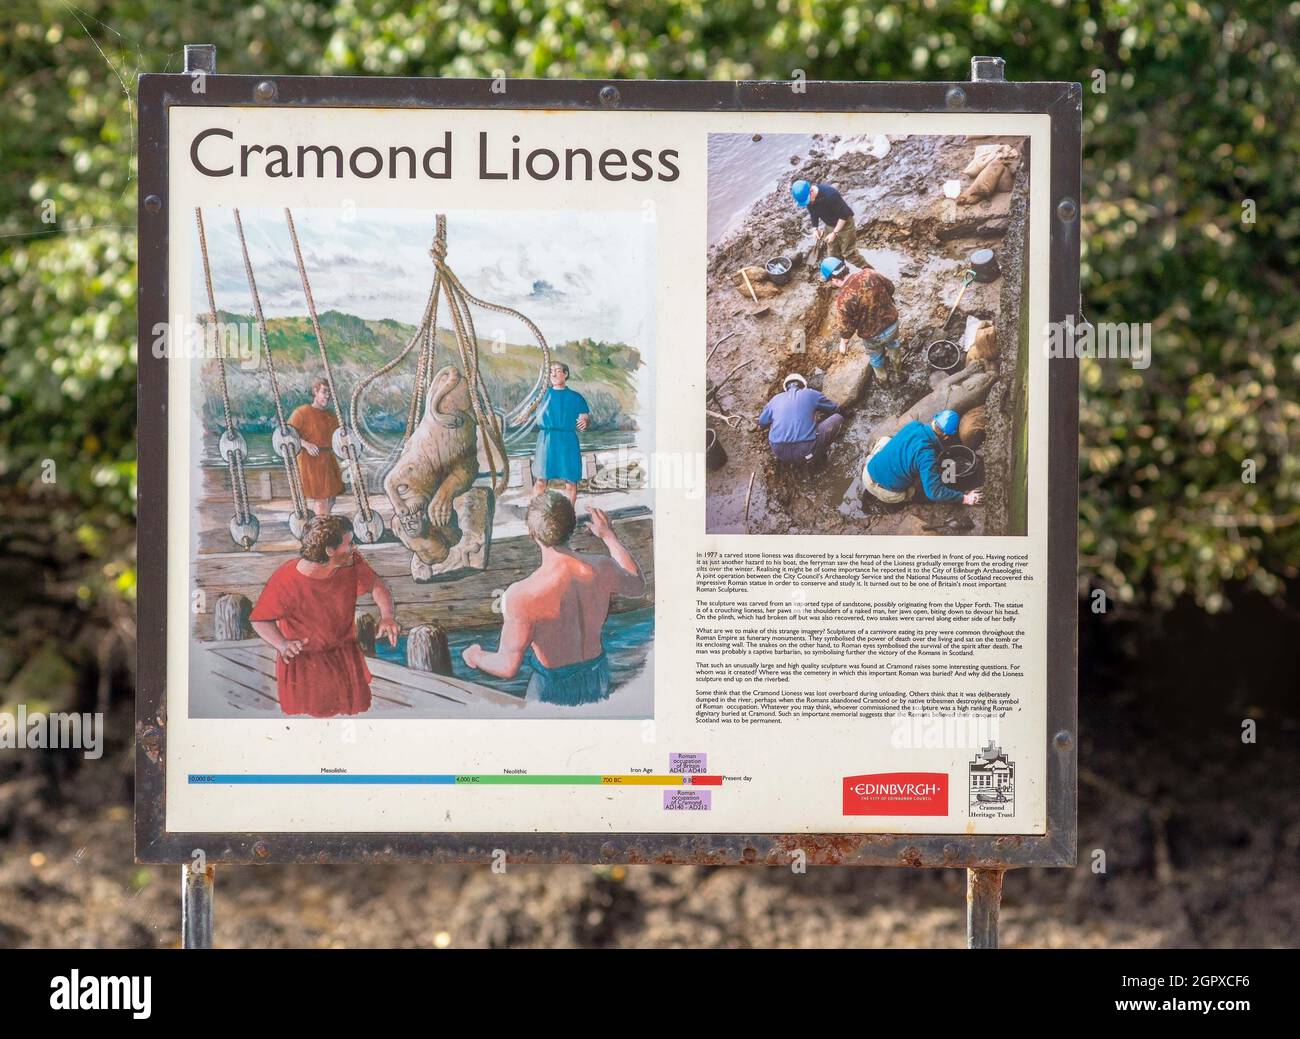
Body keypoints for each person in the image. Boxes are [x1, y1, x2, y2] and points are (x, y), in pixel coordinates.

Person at [462, 494, 645, 706]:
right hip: (597, 677)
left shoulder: (522, 595)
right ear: (572, 526)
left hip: (551, 689)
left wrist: (475, 656)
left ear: (532, 534)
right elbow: (638, 585)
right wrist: (609, 537)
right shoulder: (602, 568)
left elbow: (507, 667)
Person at [249, 515, 400, 717]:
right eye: (349, 543)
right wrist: (282, 644)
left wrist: (387, 615)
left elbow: (375, 584)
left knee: (356, 718)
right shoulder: (287, 579)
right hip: (307, 666)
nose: (354, 548)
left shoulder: (351, 563)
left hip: (346, 658)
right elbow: (260, 620)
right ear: (330, 550)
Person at [861, 409, 983, 506]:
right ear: (946, 436)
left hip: (868, 470)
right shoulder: (927, 455)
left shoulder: (914, 425)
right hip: (883, 490)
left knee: (886, 440)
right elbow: (934, 493)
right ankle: (900, 497)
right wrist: (965, 498)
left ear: (935, 419)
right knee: (918, 490)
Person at [821, 256, 904, 384]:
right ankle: (899, 373)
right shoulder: (869, 273)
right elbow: (891, 287)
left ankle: (883, 381)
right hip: (891, 324)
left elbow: (846, 328)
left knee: (875, 357)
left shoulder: (843, 300)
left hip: (872, 336)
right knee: (894, 346)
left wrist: (843, 343)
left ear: (834, 280)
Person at [531, 362, 591, 506]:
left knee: (570, 481)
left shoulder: (576, 397)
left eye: (557, 371)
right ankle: (534, 512)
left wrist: (585, 422)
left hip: (567, 441)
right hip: (546, 441)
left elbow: (584, 419)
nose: (553, 374)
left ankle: (570, 513)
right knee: (541, 480)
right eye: (550, 371)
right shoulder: (541, 396)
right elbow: (529, 415)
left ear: (565, 374)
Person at [757, 373, 845, 466]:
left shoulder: (775, 400)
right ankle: (819, 456)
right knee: (837, 418)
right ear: (804, 385)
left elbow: (762, 423)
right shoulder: (811, 393)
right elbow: (833, 408)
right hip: (806, 451)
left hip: (780, 453)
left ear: (785, 388)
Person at [289, 378, 344, 517]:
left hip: (328, 460)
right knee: (321, 499)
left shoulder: (332, 417)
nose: (327, 396)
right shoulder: (301, 412)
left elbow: (339, 437)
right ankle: (321, 525)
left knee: (331, 498)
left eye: (329, 393)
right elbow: (288, 435)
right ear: (315, 391)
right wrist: (305, 444)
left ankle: (323, 522)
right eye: (324, 392)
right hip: (311, 460)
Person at [790, 179, 869, 266]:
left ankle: (870, 271)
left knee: (849, 254)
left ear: (811, 191)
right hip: (830, 225)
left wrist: (834, 233)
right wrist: (815, 228)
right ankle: (839, 274)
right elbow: (813, 212)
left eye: (808, 200)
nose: (808, 203)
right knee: (833, 255)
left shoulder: (830, 195)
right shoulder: (809, 199)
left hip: (845, 225)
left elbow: (844, 216)